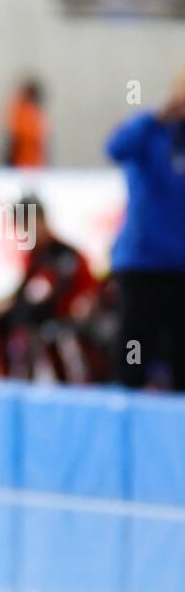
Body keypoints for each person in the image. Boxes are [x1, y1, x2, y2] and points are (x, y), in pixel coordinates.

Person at [106, 69, 185, 390]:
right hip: (143, 264)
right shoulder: (149, 131)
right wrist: (157, 116)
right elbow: (115, 148)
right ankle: (127, 408)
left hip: (181, 267)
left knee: (180, 358)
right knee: (135, 353)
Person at [0, 195, 101, 382]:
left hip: (71, 320)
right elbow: (25, 291)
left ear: (40, 221)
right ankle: (4, 380)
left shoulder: (65, 255)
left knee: (31, 318)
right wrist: (4, 304)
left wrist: (13, 304)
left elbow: (48, 294)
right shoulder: (35, 256)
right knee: (0, 319)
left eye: (27, 226)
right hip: (46, 315)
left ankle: (57, 382)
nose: (24, 233)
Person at [3, 78, 47, 168]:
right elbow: (15, 141)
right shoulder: (26, 113)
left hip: (29, 165)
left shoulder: (28, 113)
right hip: (23, 165)